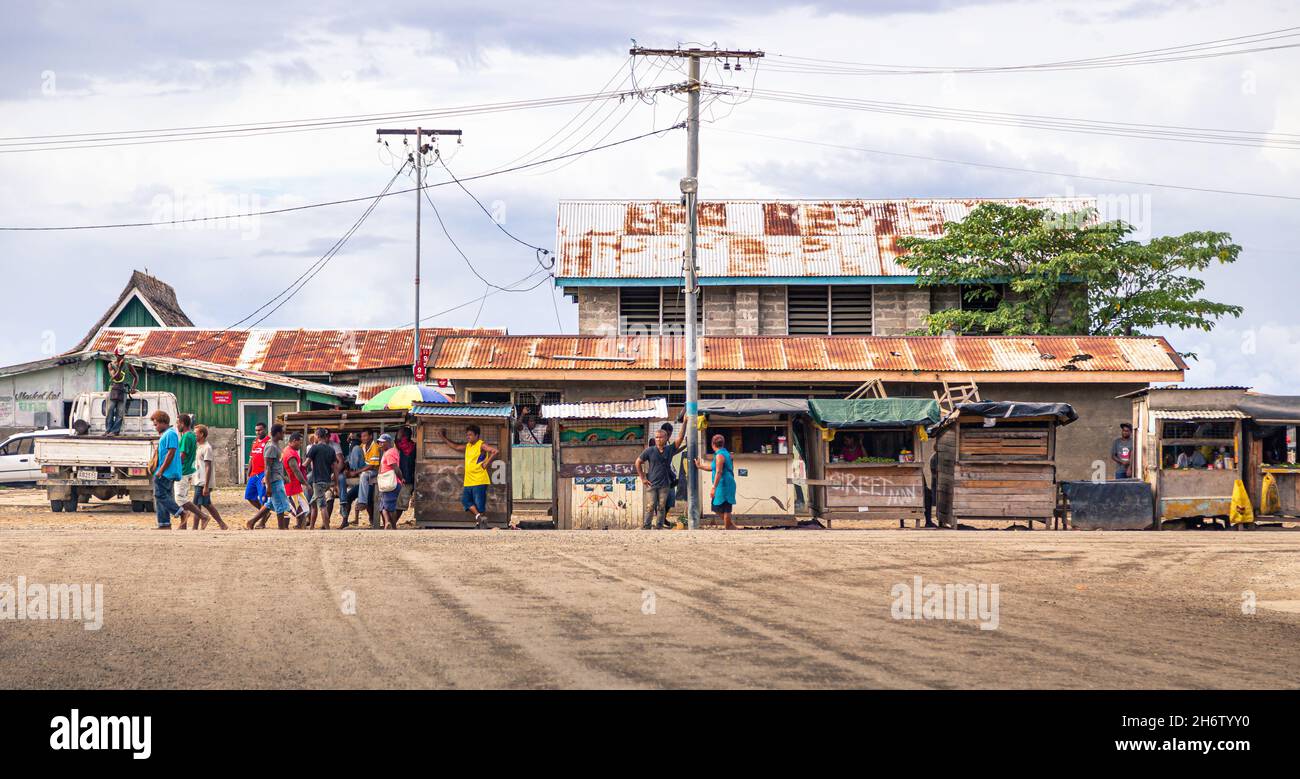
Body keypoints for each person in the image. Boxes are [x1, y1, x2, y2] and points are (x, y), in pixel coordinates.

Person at [439, 425, 499, 529]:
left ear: (477, 435)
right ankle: (479, 518)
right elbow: (456, 447)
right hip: (469, 480)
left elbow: (495, 451)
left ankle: (480, 524)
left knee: (480, 505)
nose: (468, 437)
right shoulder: (468, 446)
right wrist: (443, 437)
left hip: (479, 479)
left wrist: (486, 463)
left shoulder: (481, 445)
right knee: (466, 501)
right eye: (467, 435)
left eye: (470, 435)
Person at [636, 422, 686, 530]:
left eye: (661, 437)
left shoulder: (669, 449)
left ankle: (659, 526)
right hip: (652, 483)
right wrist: (643, 478)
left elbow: (680, 438)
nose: (658, 439)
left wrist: (685, 421)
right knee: (651, 505)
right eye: (657, 437)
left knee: (662, 506)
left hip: (665, 484)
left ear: (666, 437)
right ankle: (646, 526)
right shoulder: (649, 450)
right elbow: (638, 462)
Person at [246, 424, 291, 530]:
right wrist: (268, 485)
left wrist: (284, 476)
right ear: (278, 433)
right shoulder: (271, 446)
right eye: (283, 432)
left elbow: (278, 464)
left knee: (270, 504)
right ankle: (282, 528)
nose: (284, 435)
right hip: (274, 480)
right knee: (282, 505)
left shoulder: (275, 445)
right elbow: (267, 467)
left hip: (277, 478)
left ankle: (251, 522)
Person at [694, 433, 739, 530]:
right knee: (716, 507)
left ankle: (729, 528)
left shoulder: (720, 456)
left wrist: (713, 487)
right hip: (724, 483)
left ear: (712, 444)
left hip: (724, 484)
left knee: (726, 507)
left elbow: (718, 471)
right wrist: (700, 466)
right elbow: (713, 468)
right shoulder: (724, 454)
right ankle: (731, 526)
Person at [150, 410, 184, 530]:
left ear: (164, 422)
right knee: (163, 497)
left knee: (159, 495)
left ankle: (181, 512)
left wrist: (161, 470)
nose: (155, 427)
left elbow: (171, 452)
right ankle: (164, 523)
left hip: (166, 471)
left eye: (156, 424)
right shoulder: (166, 434)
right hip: (165, 471)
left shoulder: (170, 434)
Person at [191, 424, 227, 530]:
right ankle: (221, 524)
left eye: (195, 434)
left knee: (196, 504)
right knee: (205, 504)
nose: (194, 436)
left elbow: (208, 467)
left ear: (201, 434)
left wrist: (206, 486)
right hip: (198, 480)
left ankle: (196, 526)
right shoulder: (198, 447)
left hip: (203, 481)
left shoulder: (207, 448)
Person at [306, 427, 342, 529]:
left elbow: (306, 464)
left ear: (317, 436)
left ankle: (327, 528)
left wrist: (298, 468)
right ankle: (312, 527)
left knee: (322, 506)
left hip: (317, 481)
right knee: (313, 504)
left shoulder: (314, 448)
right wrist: (336, 484)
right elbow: (335, 468)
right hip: (327, 481)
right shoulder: (331, 450)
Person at [174, 414, 203, 529]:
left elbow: (182, 455)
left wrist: (175, 467)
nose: (177, 425)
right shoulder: (192, 435)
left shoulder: (186, 437)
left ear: (182, 423)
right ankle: (183, 525)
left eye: (177, 423)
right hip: (188, 470)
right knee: (183, 497)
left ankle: (203, 516)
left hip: (183, 470)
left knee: (179, 498)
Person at [104, 349, 139, 436]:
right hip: (113, 389)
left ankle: (115, 431)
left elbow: (136, 376)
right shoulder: (111, 365)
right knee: (110, 410)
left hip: (123, 390)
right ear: (116, 355)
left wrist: (133, 388)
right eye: (120, 355)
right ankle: (108, 430)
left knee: (120, 412)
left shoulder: (128, 365)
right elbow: (115, 378)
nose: (122, 357)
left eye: (123, 355)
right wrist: (119, 368)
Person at [377, 433, 404, 529]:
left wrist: (401, 479)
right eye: (379, 442)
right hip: (389, 482)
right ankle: (388, 524)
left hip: (390, 482)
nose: (380, 444)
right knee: (384, 506)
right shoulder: (391, 451)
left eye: (382, 442)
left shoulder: (389, 453)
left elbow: (395, 468)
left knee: (388, 507)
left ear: (388, 442)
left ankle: (391, 525)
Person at [284, 432, 310, 528]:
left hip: (290, 486)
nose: (301, 445)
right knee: (302, 509)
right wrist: (306, 484)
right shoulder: (290, 454)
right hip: (293, 487)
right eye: (300, 442)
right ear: (294, 441)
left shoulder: (286, 450)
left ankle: (292, 527)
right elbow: (296, 472)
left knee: (289, 510)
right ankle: (299, 527)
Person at [244, 421, 270, 510]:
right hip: (253, 474)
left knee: (263, 498)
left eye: (260, 430)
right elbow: (251, 458)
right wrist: (248, 473)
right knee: (249, 496)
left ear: (265, 430)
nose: (258, 432)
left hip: (263, 473)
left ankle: (262, 520)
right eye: (256, 430)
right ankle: (262, 513)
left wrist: (267, 475)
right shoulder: (254, 442)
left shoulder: (268, 442)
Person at [395, 427, 416, 521]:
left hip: (406, 479)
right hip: (410, 477)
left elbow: (396, 440)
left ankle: (392, 523)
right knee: (401, 503)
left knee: (400, 504)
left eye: (400, 433)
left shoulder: (402, 445)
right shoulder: (413, 445)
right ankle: (392, 523)